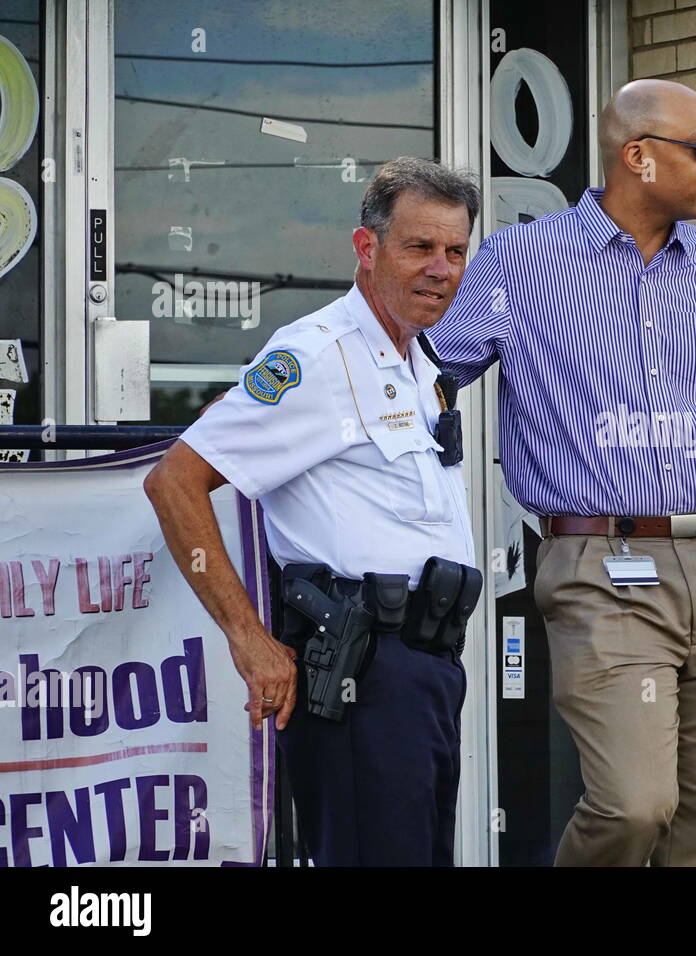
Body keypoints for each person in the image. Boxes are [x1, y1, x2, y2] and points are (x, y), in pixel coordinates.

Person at [428, 79, 696, 866]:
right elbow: (426, 374)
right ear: (637, 156)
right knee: (634, 804)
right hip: (602, 567)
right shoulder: (520, 261)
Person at [144, 158, 482, 866]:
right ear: (368, 249)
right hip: (363, 669)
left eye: (456, 251)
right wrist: (249, 638)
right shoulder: (316, 355)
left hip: (428, 667)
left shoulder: (420, 363)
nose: (441, 269)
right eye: (419, 247)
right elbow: (176, 481)